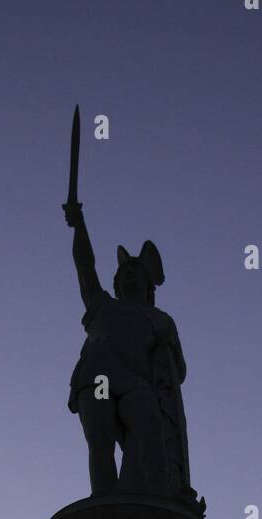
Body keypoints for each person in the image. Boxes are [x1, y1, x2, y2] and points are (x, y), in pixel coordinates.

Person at [64, 201, 190, 499]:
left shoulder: (162, 320)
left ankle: (163, 494)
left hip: (135, 381)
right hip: (98, 375)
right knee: (101, 442)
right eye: (125, 272)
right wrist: (79, 224)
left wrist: (167, 346)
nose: (130, 275)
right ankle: (105, 504)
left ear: (149, 285)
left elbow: (179, 372)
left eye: (136, 271)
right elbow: (85, 265)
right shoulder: (103, 306)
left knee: (150, 426)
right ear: (117, 283)